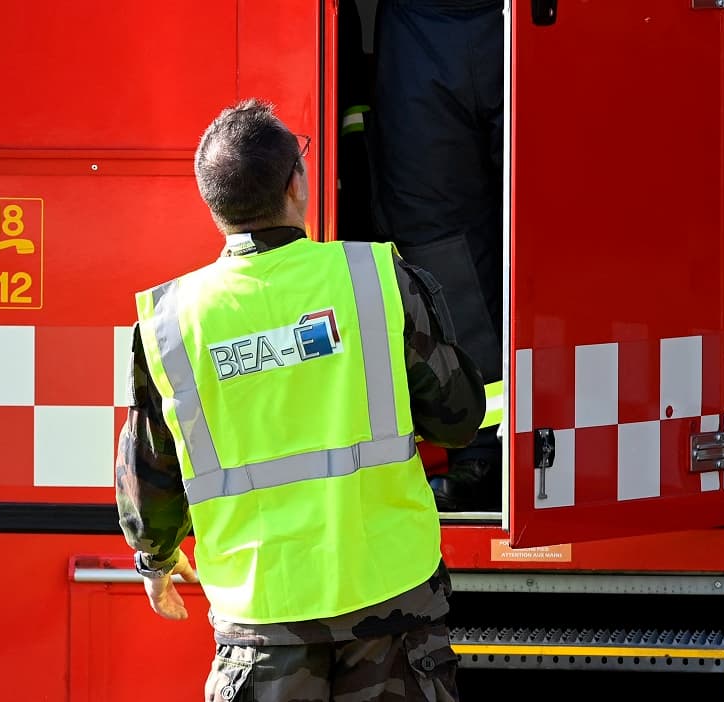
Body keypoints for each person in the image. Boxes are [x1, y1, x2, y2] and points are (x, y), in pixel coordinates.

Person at [114, 99, 485, 701]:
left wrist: (154, 561)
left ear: (213, 204)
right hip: (389, 599)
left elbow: (150, 471)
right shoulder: (374, 279)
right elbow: (458, 418)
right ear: (297, 184)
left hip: (263, 619)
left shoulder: (172, 322)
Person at [370, 0, 505, 512]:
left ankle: (586, 435)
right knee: (438, 246)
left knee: (560, 227)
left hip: (549, 21)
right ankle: (482, 448)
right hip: (420, 24)